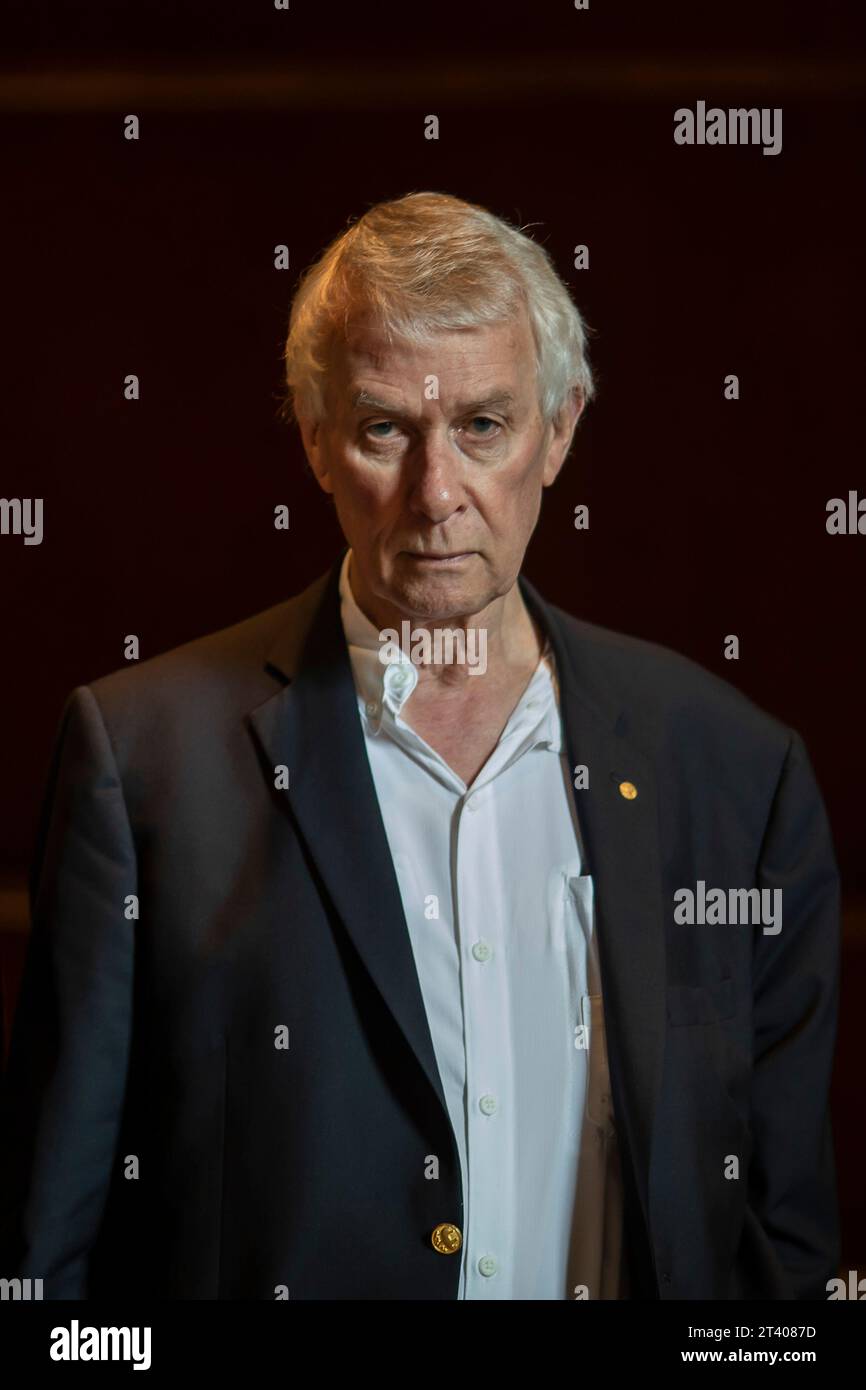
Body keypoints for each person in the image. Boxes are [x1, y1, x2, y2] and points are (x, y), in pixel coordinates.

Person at [0, 192, 840, 1300]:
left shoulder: (738, 776)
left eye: (483, 425)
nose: (436, 493)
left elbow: (780, 1261)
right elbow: (45, 1258)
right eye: (384, 428)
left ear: (562, 425)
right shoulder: (142, 763)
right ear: (312, 436)